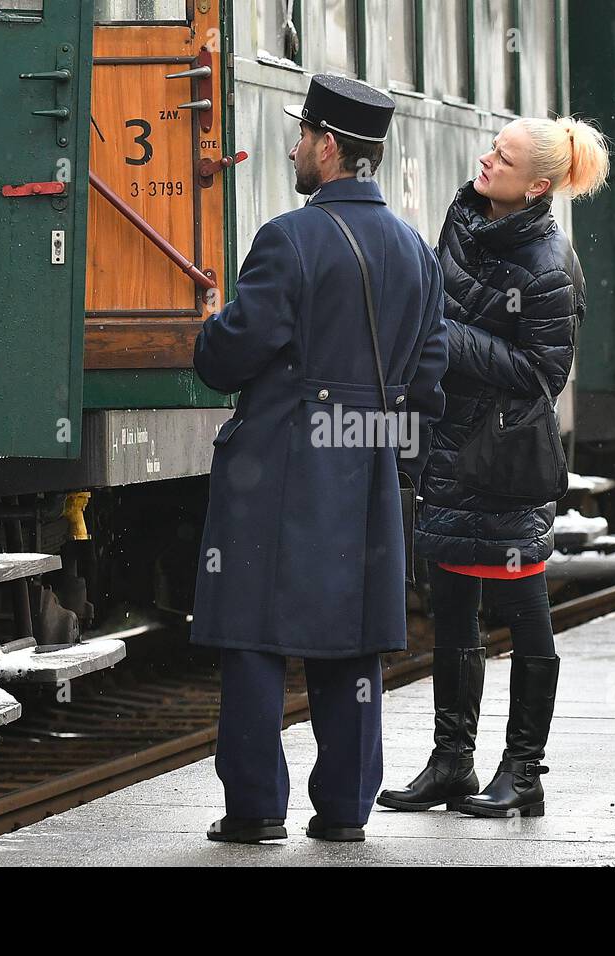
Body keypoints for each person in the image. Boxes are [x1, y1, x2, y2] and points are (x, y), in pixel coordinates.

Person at [191, 74, 449, 844]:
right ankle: (344, 811)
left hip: (273, 467)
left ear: (329, 148)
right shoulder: (414, 252)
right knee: (353, 638)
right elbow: (429, 377)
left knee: (251, 632)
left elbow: (231, 355)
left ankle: (256, 809)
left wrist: (209, 328)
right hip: (365, 470)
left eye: (303, 135)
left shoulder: (288, 238)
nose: (295, 147)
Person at [376, 116, 609, 819]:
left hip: (505, 455)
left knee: (525, 611)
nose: (485, 160)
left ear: (537, 184)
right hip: (449, 440)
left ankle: (524, 771)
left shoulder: (548, 264)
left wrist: (446, 336)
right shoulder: (466, 217)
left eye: (502, 157)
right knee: (450, 603)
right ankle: (452, 763)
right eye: (491, 148)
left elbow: (544, 372)